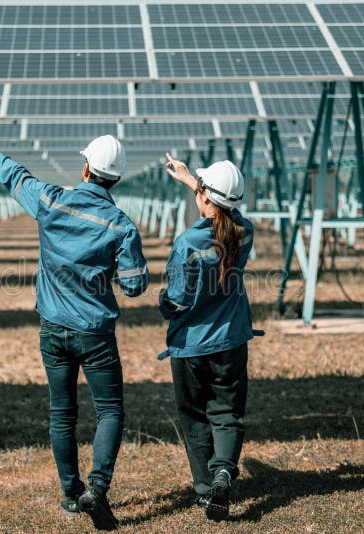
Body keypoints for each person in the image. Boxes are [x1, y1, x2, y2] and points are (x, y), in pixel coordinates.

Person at [0, 131, 149, 531]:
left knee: (62, 413)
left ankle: (71, 493)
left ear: (85, 168)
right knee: (109, 410)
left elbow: (17, 178)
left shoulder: (51, 201)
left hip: (52, 329)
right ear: (115, 179)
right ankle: (97, 489)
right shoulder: (121, 226)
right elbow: (136, 286)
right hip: (96, 334)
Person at [158, 154, 256, 522]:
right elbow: (225, 211)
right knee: (228, 412)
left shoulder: (187, 244)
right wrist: (190, 179)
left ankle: (205, 491)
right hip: (232, 340)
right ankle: (224, 471)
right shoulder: (244, 232)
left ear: (203, 197)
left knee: (195, 416)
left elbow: (179, 300)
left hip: (191, 345)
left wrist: (163, 305)